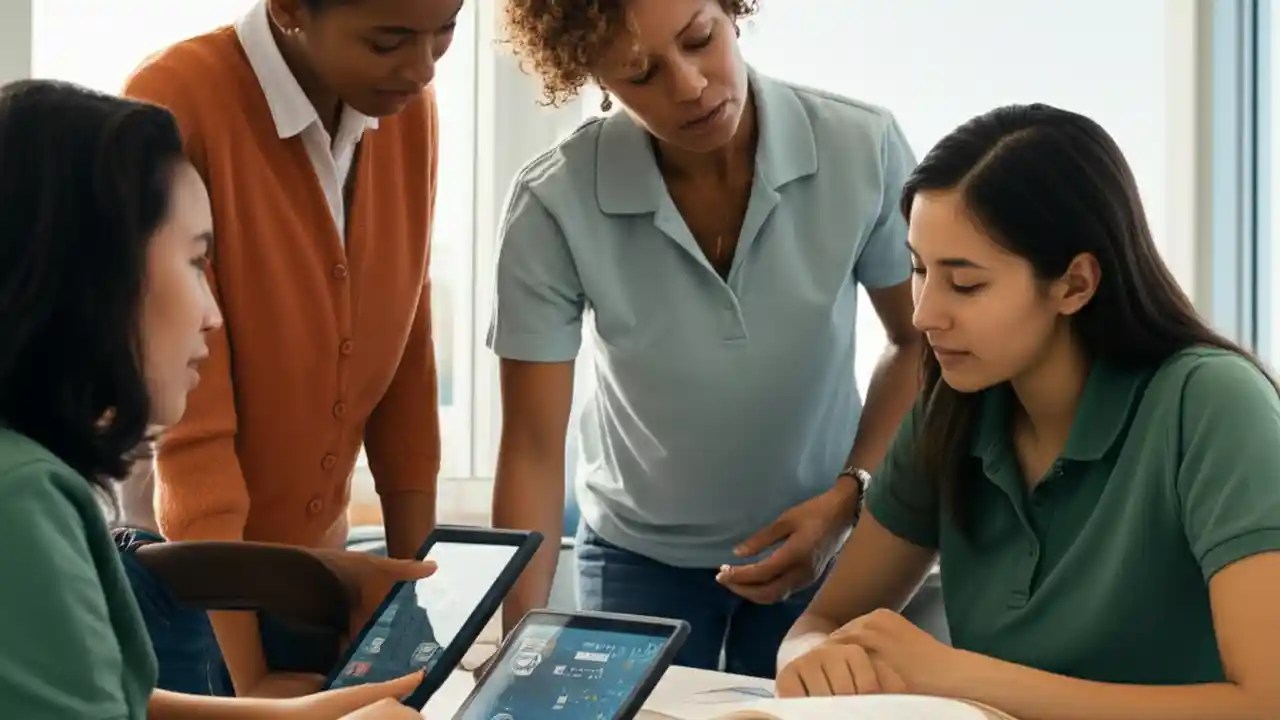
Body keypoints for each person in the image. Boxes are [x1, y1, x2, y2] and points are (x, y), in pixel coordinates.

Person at [776, 103, 1280, 718]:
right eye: (918, 269)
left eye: (966, 284)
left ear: (1075, 284)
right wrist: (809, 657)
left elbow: (1267, 703)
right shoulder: (950, 407)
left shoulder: (1212, 404)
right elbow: (821, 622)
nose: (924, 314)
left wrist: (958, 676)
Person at [489, 0, 922, 677]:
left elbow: (917, 340)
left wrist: (848, 499)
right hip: (636, 557)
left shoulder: (862, 146)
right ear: (590, 73)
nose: (690, 86)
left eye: (700, 39)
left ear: (732, 12)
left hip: (822, 532)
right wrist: (517, 647)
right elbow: (532, 449)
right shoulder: (552, 200)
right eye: (640, 73)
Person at [0, 79, 429, 720]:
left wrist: (293, 717)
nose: (212, 315)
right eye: (197, 262)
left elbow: (87, 699)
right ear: (97, 273)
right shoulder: (20, 498)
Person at [116, 0, 462, 697]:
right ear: (290, 9)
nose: (422, 69)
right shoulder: (177, 101)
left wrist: (412, 607)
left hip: (311, 576)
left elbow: (407, 361)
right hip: (188, 593)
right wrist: (252, 683)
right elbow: (193, 441)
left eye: (445, 32)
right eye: (389, 40)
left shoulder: (405, 111)